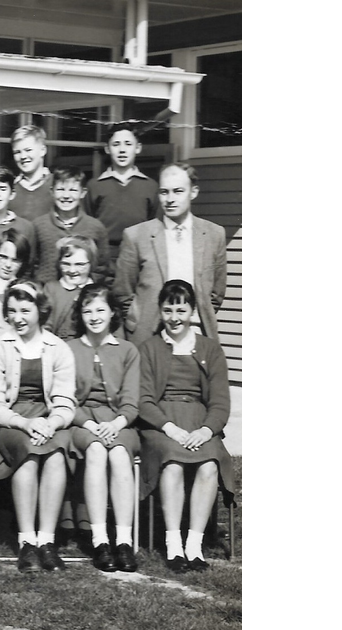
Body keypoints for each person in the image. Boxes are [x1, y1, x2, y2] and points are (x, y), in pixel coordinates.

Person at [137, 280, 234, 573]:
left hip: (200, 421)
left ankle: (194, 545)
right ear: (160, 311)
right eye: (168, 310)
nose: (175, 317)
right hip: (162, 423)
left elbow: (220, 402)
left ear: (192, 311)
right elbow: (143, 399)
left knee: (209, 465)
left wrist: (206, 430)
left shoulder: (210, 348)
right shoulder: (150, 348)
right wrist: (170, 428)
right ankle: (173, 544)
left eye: (181, 309)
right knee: (173, 462)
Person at [0, 280, 77, 573]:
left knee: (56, 454)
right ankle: (27, 543)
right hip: (11, 420)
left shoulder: (58, 348)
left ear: (40, 310)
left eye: (25, 310)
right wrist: (25, 424)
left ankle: (47, 542)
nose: (18, 318)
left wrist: (52, 423)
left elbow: (65, 403)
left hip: (47, 419)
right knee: (28, 452)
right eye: (11, 311)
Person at [67, 283, 141, 573]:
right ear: (80, 314)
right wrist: (90, 424)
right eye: (87, 310)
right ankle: (100, 541)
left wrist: (116, 423)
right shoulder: (69, 349)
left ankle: (123, 541)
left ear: (112, 312)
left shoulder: (127, 350)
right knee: (97, 451)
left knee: (120, 454)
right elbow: (63, 399)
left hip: (119, 421)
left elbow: (132, 402)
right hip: (82, 421)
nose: (94, 316)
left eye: (100, 309)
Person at [113, 163, 227, 343]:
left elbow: (215, 294)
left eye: (178, 191)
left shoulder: (214, 234)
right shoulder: (136, 235)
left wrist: (194, 318)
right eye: (164, 192)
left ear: (194, 192)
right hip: (149, 336)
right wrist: (142, 320)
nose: (170, 199)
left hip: (196, 333)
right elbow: (123, 292)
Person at [87, 122, 160, 262]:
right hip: (103, 257)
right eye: (116, 144)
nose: (122, 150)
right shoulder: (94, 186)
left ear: (137, 148)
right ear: (107, 149)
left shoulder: (150, 186)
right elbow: (87, 225)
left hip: (140, 256)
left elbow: (156, 229)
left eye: (128, 144)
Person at [32, 167, 110, 285]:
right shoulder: (38, 225)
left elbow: (102, 268)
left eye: (73, 190)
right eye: (61, 189)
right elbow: (32, 264)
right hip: (46, 295)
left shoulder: (96, 227)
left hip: (82, 297)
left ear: (83, 193)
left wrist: (88, 287)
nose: (66, 195)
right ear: (52, 192)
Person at [42, 235, 97, 340]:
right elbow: (45, 324)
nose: (72, 271)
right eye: (66, 264)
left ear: (91, 264)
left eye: (80, 264)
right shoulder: (51, 289)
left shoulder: (98, 292)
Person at [6, 125, 54, 222]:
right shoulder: (9, 189)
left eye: (28, 150)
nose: (23, 156)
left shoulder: (58, 185)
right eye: (17, 152)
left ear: (42, 150)